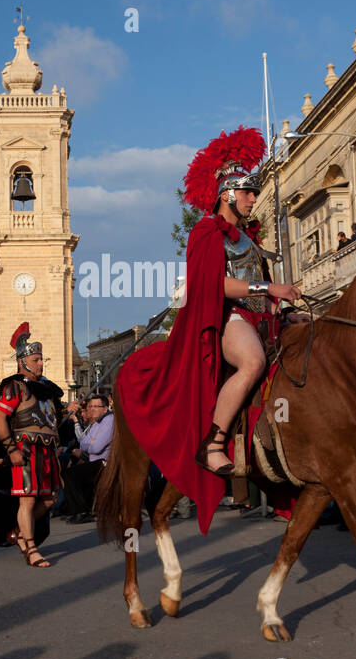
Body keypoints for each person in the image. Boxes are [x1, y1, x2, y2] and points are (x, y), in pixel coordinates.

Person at [116, 127, 303, 534]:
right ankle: (213, 444)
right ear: (226, 194)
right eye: (248, 192)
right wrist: (267, 287)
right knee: (251, 363)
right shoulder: (205, 232)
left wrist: (282, 307)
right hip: (224, 318)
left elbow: (263, 290)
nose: (254, 198)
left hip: (258, 319)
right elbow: (213, 285)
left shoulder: (248, 240)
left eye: (254, 192)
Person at [0, 323, 65, 566]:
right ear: (23, 361)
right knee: (28, 499)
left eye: (41, 359)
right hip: (25, 448)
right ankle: (31, 549)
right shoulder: (15, 386)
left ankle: (20, 533)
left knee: (50, 497)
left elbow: (50, 420)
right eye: (36, 359)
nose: (40, 364)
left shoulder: (45, 391)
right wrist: (11, 449)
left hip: (47, 449)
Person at [63, 393, 114, 523]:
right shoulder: (97, 423)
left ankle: (81, 511)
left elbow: (96, 448)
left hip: (106, 463)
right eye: (90, 406)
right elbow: (83, 442)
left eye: (96, 406)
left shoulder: (109, 421)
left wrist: (88, 446)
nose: (92, 409)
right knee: (69, 470)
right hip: (93, 460)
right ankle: (75, 510)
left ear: (105, 408)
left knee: (72, 474)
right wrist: (89, 445)